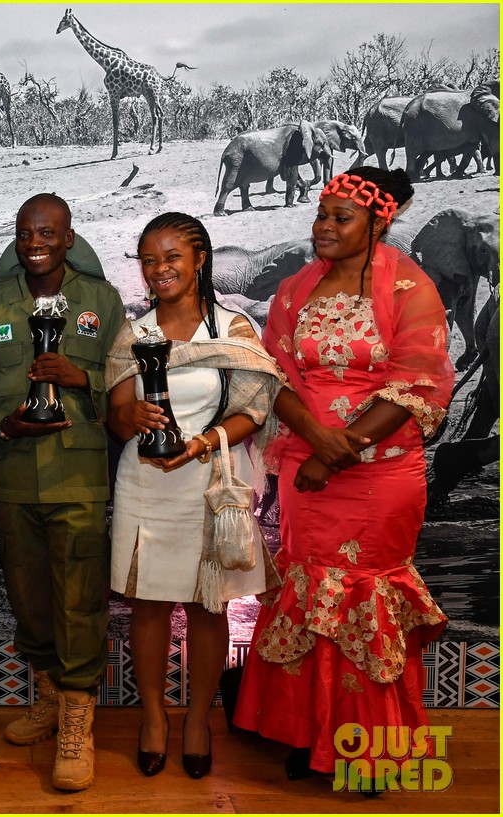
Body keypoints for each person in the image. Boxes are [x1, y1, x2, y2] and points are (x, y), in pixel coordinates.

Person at [233, 167, 453, 790]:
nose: (323, 227)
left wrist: (340, 450)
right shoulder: (295, 289)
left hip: (379, 475)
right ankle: (314, 735)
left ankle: (371, 750)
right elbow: (273, 373)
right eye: (321, 214)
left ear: (378, 221)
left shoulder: (410, 287)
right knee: (311, 594)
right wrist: (317, 445)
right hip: (309, 473)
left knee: (365, 594)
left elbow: (420, 381)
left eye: (340, 217)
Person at [105, 212, 281, 780]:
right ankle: (154, 717)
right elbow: (115, 414)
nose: (159, 270)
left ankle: (200, 718)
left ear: (200, 258)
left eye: (171, 257)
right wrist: (127, 415)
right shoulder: (135, 334)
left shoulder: (233, 330)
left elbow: (253, 410)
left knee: (211, 607)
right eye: (149, 260)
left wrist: (205, 442)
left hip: (208, 484)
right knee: (149, 604)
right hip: (145, 481)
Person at [0, 194, 125, 790]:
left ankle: (77, 723)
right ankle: (47, 698)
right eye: (24, 233)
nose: (34, 242)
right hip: (14, 476)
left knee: (79, 600)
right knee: (30, 599)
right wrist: (2, 424)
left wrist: (80, 377)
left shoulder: (101, 302)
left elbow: (127, 384)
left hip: (80, 478)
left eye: (47, 232)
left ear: (67, 238)